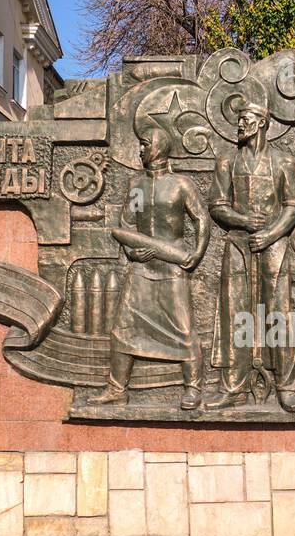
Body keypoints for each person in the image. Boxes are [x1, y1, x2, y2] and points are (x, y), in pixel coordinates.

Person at [88, 126, 211, 410]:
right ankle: (116, 388)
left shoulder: (181, 185)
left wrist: (197, 252)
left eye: (144, 145)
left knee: (183, 327)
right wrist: (132, 251)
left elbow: (201, 219)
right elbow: (128, 223)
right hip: (142, 268)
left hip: (172, 268)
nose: (140, 150)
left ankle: (193, 387)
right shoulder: (137, 186)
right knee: (124, 327)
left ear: (158, 146)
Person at [207, 101, 295, 412]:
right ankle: (234, 386)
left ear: (261, 122)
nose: (240, 125)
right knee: (235, 316)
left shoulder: (284, 161)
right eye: (238, 120)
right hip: (238, 245)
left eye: (245, 119)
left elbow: (293, 206)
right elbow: (217, 205)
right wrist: (243, 221)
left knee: (280, 316)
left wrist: (271, 233)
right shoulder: (227, 162)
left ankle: (286, 386)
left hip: (274, 247)